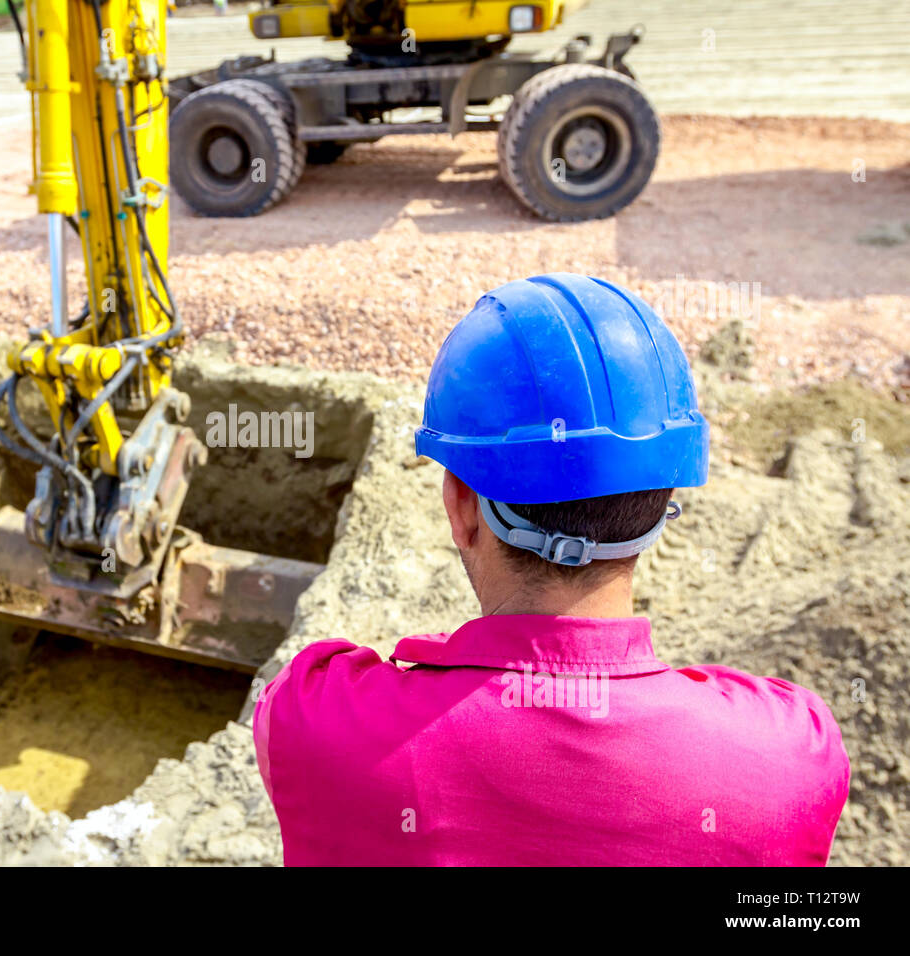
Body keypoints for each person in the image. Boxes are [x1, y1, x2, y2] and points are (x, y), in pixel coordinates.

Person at [253, 273, 849, 866]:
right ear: (663, 501)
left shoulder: (318, 720)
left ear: (461, 505)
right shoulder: (791, 754)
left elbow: (285, 698)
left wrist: (455, 661)